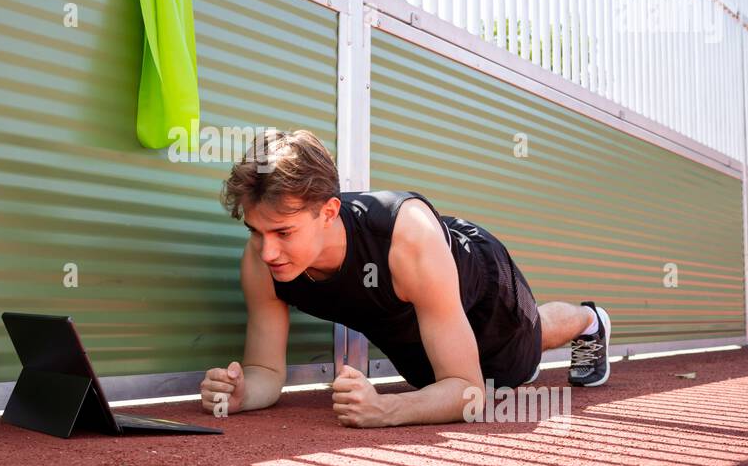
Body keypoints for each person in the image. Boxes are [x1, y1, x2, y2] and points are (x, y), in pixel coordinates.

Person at [199, 128, 612, 427]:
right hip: (409, 320)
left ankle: (590, 321)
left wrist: (385, 410)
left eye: (283, 233)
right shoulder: (260, 261)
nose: (267, 251)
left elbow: (468, 393)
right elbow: (266, 372)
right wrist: (242, 395)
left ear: (327, 212)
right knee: (429, 381)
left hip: (479, 283)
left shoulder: (405, 236)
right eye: (256, 231)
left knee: (518, 358)